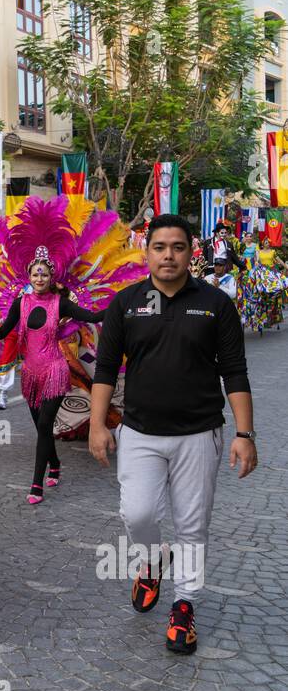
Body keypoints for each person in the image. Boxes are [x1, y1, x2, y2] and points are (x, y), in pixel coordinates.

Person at [89, 213, 256, 656]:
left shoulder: (216, 304)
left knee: (192, 525)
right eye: (160, 247)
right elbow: (105, 369)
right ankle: (150, 560)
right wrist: (96, 425)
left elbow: (234, 372)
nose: (168, 255)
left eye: (177, 247)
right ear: (147, 252)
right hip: (139, 432)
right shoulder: (125, 304)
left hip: (199, 433)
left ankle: (185, 605)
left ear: (190, 252)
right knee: (138, 514)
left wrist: (245, 433)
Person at [0, 196, 145, 500]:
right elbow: (6, 329)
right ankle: (55, 464)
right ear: (29, 276)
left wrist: (119, 304)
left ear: (52, 276)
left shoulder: (62, 303)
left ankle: (36, 484)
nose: (40, 278)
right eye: (35, 274)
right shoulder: (21, 302)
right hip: (30, 374)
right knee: (41, 428)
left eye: (45, 274)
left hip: (56, 372)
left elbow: (93, 315)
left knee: (45, 425)